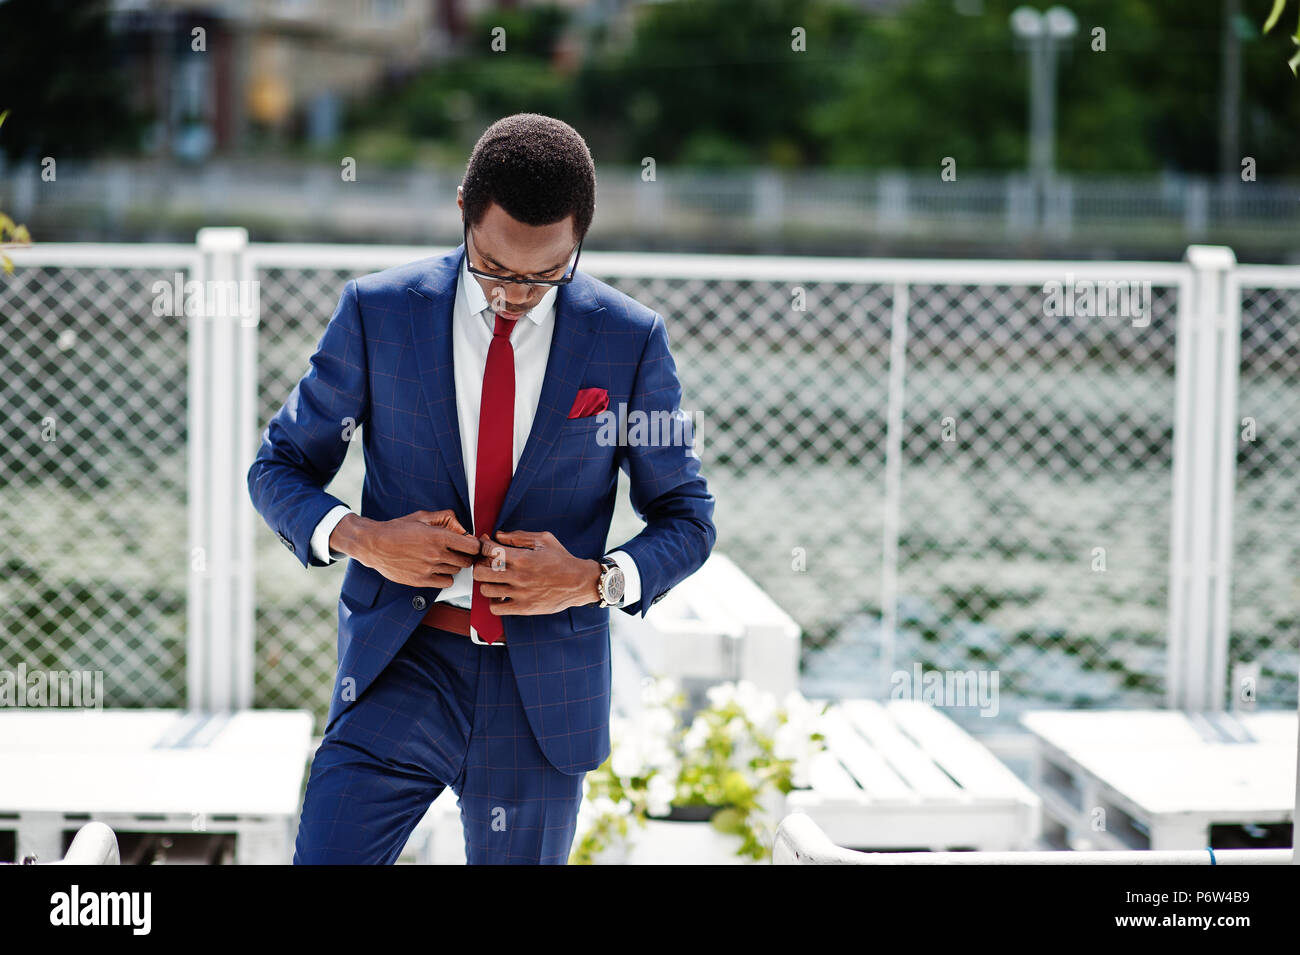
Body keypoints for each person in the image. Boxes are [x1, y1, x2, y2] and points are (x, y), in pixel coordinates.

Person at [246, 113, 716, 864]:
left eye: (544, 273)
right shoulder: (379, 313)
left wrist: (594, 579)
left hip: (541, 700)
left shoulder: (627, 340)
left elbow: (687, 518)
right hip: (401, 665)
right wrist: (366, 538)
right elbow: (276, 469)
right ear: (464, 208)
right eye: (495, 266)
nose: (516, 293)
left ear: (580, 238)